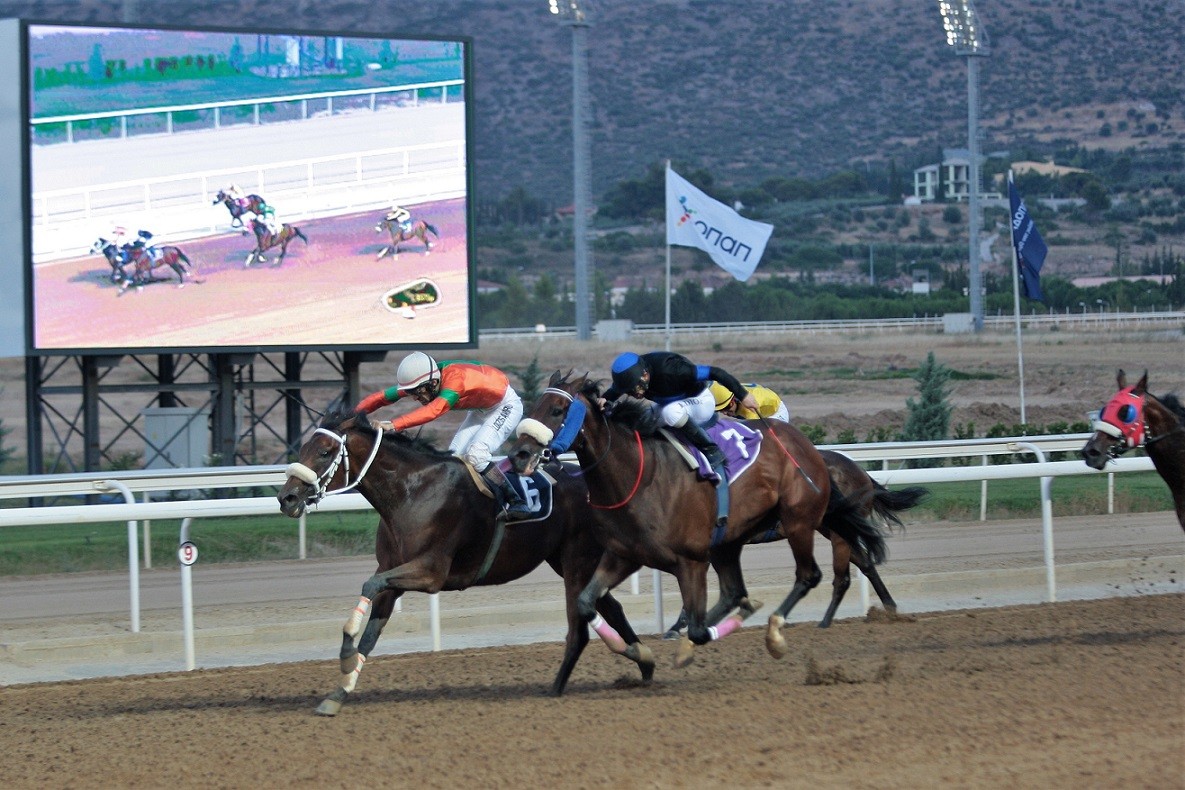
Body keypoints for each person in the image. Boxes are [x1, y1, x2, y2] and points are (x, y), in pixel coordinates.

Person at [355, 351, 532, 519]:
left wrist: (393, 424)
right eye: (412, 393)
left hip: (505, 405)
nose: (416, 398)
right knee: (454, 458)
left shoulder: (455, 382)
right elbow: (381, 397)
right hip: (481, 408)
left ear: (433, 383)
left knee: (477, 454)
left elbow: (433, 411)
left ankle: (517, 501)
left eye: (418, 393)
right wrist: (351, 415)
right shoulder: (425, 379)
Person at [604, 351, 758, 529]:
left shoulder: (674, 370)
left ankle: (710, 449)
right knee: (639, 421)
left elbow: (716, 372)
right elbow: (613, 392)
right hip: (669, 403)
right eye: (628, 391)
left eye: (634, 389)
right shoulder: (635, 374)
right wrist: (604, 400)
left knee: (671, 414)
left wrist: (744, 395)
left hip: (699, 402)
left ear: (645, 375)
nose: (632, 394)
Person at [709, 381, 790, 422]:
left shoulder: (749, 410)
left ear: (735, 399)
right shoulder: (728, 391)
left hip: (776, 413)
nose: (725, 413)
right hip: (759, 396)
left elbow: (754, 432)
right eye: (720, 410)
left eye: (727, 407)